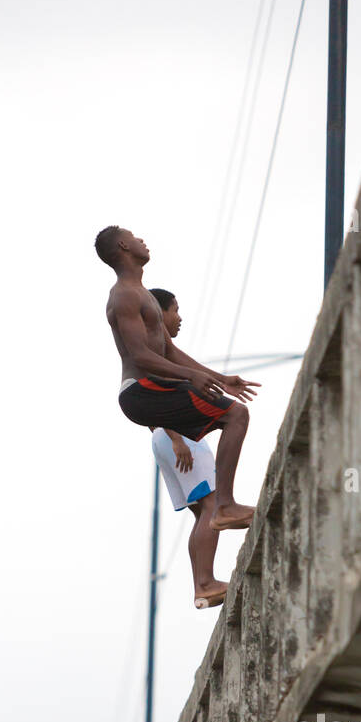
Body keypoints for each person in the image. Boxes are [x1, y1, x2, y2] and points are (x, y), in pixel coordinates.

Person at [96, 224, 259, 532]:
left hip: (155, 388)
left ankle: (223, 506)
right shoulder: (123, 296)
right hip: (141, 392)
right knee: (236, 414)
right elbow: (140, 356)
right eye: (134, 237)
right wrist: (192, 378)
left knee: (234, 414)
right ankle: (224, 507)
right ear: (123, 245)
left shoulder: (142, 294)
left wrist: (221, 379)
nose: (142, 240)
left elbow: (169, 351)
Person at [148, 288, 228, 609]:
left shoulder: (153, 348)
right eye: (175, 310)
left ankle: (201, 586)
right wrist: (178, 437)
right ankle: (206, 582)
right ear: (159, 314)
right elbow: (155, 397)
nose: (180, 318)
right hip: (175, 434)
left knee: (201, 512)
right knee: (213, 506)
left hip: (164, 437)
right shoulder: (154, 349)